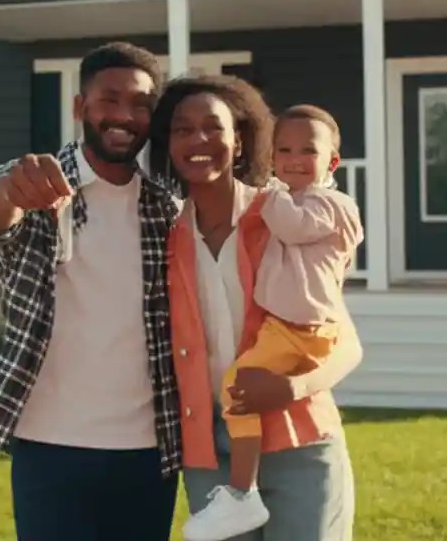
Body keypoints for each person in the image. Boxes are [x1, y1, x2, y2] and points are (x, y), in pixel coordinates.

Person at [0, 41, 183, 540]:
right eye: (109, 99)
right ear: (79, 107)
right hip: (50, 444)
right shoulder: (39, 184)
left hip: (148, 450)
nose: (124, 115)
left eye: (140, 104)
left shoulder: (167, 207)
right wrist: (9, 189)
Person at [149, 78, 364, 541]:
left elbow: (344, 340)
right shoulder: (162, 239)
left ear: (239, 139)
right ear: (168, 143)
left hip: (299, 440)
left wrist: (292, 387)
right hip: (210, 452)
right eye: (182, 130)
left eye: (213, 127)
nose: (198, 140)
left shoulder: (284, 219)